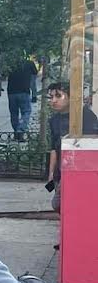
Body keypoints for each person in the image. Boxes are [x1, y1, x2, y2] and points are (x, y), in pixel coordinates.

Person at [46, 81, 98, 211]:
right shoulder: (54, 120)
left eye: (58, 96)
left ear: (70, 97)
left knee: (61, 204)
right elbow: (54, 147)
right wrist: (51, 173)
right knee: (61, 206)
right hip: (60, 170)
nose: (53, 100)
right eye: (51, 97)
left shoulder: (86, 116)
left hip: (80, 169)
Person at [6, 55, 39, 138]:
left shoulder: (10, 64)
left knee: (14, 113)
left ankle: (16, 132)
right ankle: (20, 129)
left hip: (11, 92)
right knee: (26, 111)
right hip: (24, 91)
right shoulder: (29, 63)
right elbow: (35, 73)